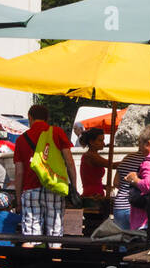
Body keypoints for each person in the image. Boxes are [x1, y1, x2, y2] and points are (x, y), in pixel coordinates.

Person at [12, 103, 77, 241]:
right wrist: (74, 189)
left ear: (30, 117)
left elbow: (19, 172)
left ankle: (31, 261)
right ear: (47, 118)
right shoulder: (57, 132)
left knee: (31, 237)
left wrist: (18, 199)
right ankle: (54, 261)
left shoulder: (21, 139)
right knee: (55, 236)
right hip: (54, 187)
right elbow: (70, 162)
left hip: (30, 190)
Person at [112, 146, 143, 229]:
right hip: (136, 207)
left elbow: (116, 183)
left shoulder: (127, 158)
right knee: (137, 240)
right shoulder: (147, 160)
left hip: (119, 205)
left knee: (121, 238)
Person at [78, 128, 107, 198]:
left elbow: (92, 181)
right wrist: (128, 160)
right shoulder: (90, 156)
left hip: (95, 194)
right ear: (91, 142)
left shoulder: (92, 155)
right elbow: (112, 165)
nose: (103, 143)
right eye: (100, 140)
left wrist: (103, 186)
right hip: (92, 196)